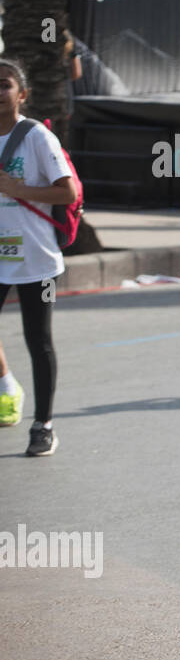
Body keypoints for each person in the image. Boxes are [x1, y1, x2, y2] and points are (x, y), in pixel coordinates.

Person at [0, 59, 76, 456]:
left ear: (22, 94)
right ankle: (7, 384)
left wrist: (19, 189)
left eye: (4, 85)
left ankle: (44, 423)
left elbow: (67, 193)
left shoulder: (36, 138)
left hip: (37, 259)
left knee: (38, 339)